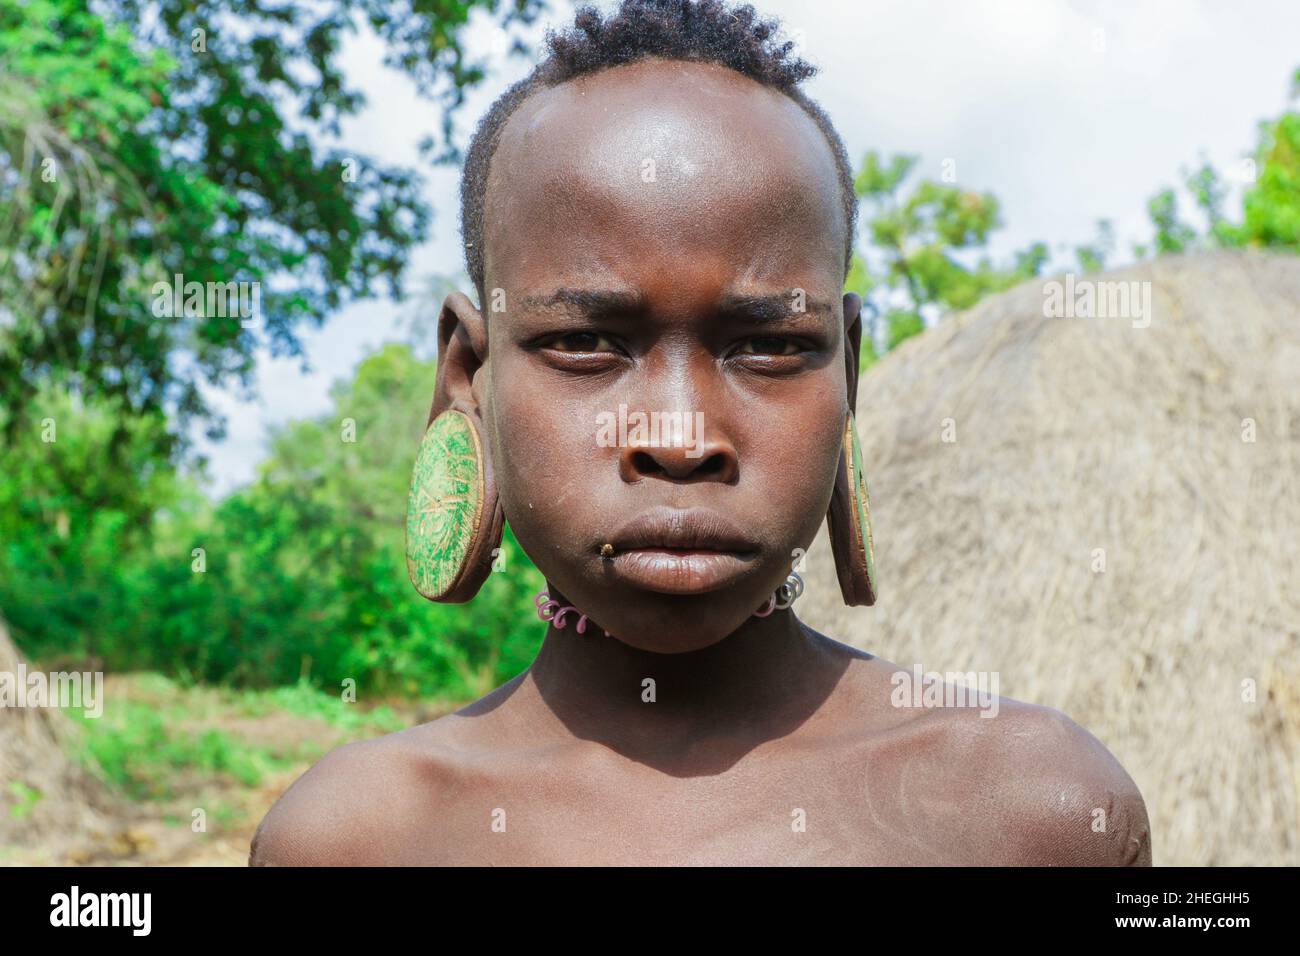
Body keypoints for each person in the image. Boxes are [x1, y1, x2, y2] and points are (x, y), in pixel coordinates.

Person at [250, 0, 1151, 866]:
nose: (680, 437)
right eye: (584, 344)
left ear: (848, 372)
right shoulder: (354, 839)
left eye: (769, 345)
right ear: (467, 379)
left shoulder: (1037, 814)